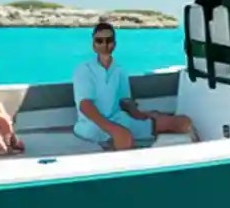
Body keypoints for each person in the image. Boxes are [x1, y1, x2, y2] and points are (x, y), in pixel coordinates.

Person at [72, 21, 196, 150]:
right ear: (93, 44)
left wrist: (141, 114)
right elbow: (85, 105)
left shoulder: (119, 70)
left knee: (181, 122)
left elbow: (125, 101)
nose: (104, 44)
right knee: (124, 137)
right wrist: (114, 129)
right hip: (92, 125)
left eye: (109, 40)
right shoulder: (84, 70)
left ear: (114, 43)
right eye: (99, 41)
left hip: (119, 118)